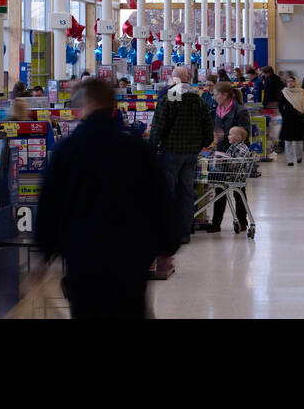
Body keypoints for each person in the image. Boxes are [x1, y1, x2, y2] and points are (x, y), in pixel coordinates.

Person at [36, 79, 180, 318]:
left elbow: (50, 203)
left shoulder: (68, 148)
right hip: (131, 255)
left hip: (84, 255)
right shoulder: (136, 146)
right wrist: (167, 246)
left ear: (86, 105)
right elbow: (160, 198)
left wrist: (45, 249)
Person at [149, 66, 214, 247]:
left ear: (174, 79)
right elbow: (208, 125)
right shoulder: (198, 99)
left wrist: (151, 147)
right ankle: (184, 232)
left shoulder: (170, 98)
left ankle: (168, 231)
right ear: (188, 79)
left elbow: (158, 125)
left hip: (171, 152)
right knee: (186, 192)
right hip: (192, 153)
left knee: (168, 191)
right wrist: (203, 143)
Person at [209, 126, 252, 233]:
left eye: (230, 134)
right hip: (232, 176)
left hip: (235, 177)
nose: (228, 136)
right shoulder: (233, 147)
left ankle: (217, 224)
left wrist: (223, 160)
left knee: (222, 193)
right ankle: (237, 222)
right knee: (236, 196)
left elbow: (237, 163)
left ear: (238, 137)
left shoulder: (241, 148)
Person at [279, 73, 304, 166]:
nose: (290, 83)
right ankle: (289, 160)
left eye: (292, 81)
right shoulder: (284, 92)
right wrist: (284, 114)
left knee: (298, 140)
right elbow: (280, 106)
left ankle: (299, 157)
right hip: (288, 119)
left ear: (295, 82)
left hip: (299, 119)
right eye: (288, 81)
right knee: (288, 141)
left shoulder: (302, 92)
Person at [211, 81, 250, 151]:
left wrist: (224, 136)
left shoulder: (240, 111)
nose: (214, 98)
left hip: (236, 154)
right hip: (221, 152)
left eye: (216, 95)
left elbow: (245, 135)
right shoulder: (217, 110)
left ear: (225, 95)